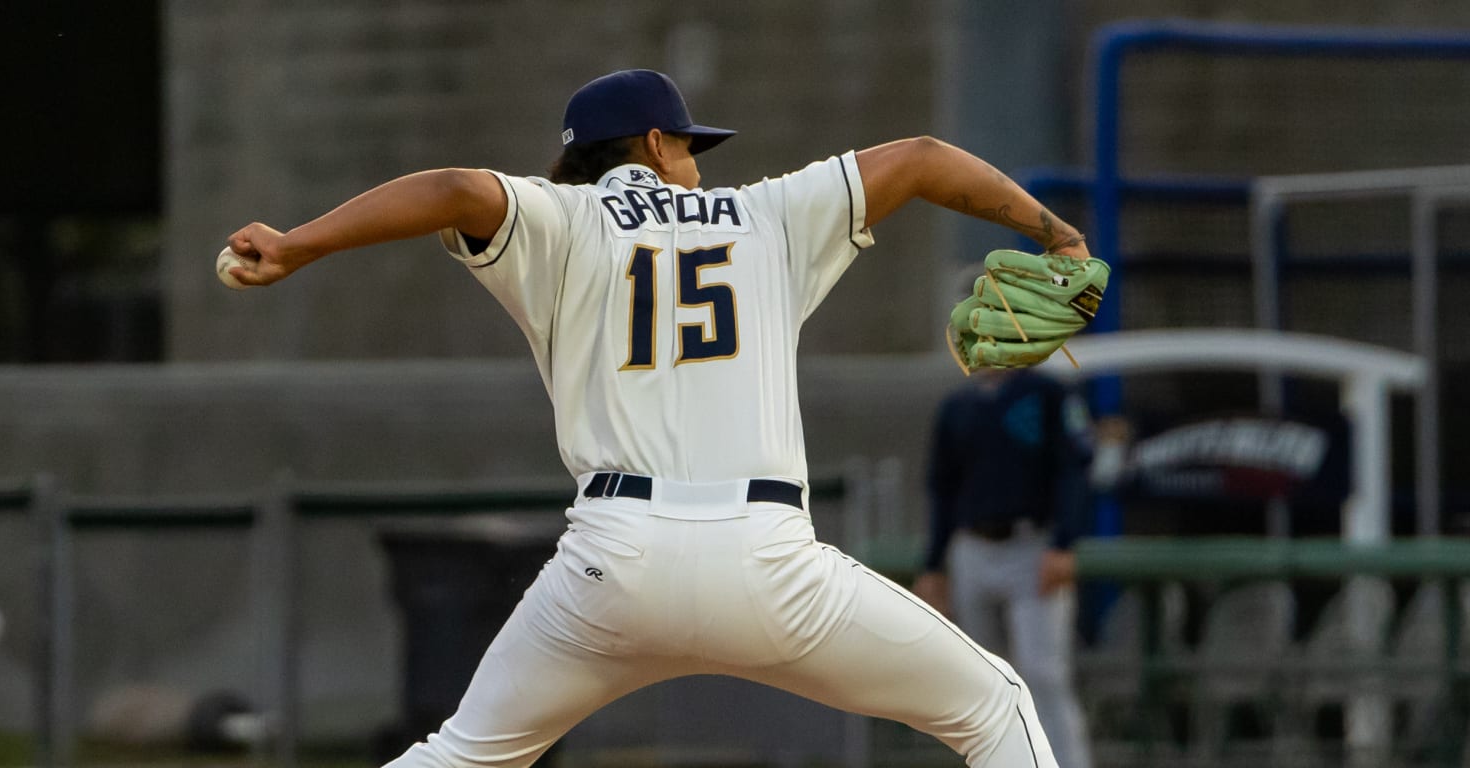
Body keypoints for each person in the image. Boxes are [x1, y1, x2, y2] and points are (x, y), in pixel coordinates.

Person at [224, 69, 1092, 768]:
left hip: (613, 560)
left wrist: (300, 243)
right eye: (690, 144)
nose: (698, 162)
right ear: (653, 143)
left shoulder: (558, 221)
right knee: (992, 707)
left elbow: (454, 187)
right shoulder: (766, 214)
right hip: (769, 561)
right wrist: (1055, 235)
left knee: (464, 755)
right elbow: (923, 156)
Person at [912, 366, 1097, 768]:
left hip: (1032, 544)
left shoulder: (1050, 392)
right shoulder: (958, 405)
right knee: (981, 678)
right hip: (973, 547)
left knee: (1042, 673)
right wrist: (933, 564)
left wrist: (1066, 541)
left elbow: (1075, 465)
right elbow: (942, 489)